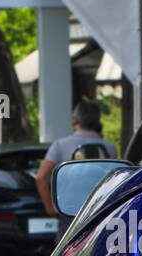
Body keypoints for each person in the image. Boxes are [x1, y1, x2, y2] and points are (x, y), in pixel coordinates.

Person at [35, 99, 118, 237]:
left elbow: (40, 177)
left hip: (69, 214)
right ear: (98, 121)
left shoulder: (60, 146)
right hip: (100, 212)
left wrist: (51, 209)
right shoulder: (109, 148)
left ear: (75, 120)